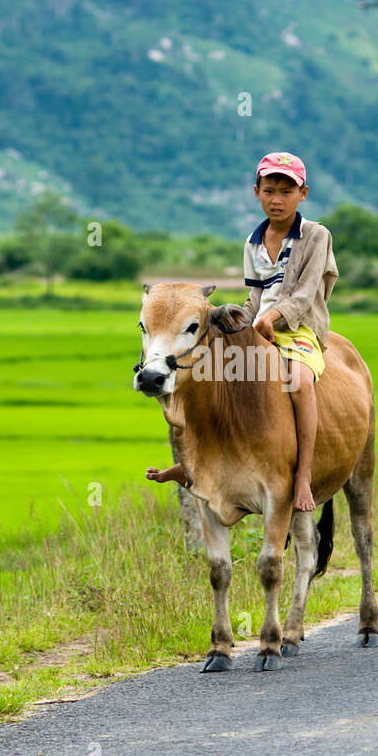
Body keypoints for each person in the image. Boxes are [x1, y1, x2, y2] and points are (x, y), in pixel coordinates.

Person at [147, 151, 338, 511]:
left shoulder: (315, 236)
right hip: (258, 328)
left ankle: (303, 479)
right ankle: (195, 463)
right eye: (269, 190)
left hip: (300, 330)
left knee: (298, 382)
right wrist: (232, 319)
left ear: (303, 194)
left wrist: (273, 318)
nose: (277, 199)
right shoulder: (253, 242)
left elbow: (306, 293)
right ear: (256, 192)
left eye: (286, 191)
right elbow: (255, 298)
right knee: (207, 373)